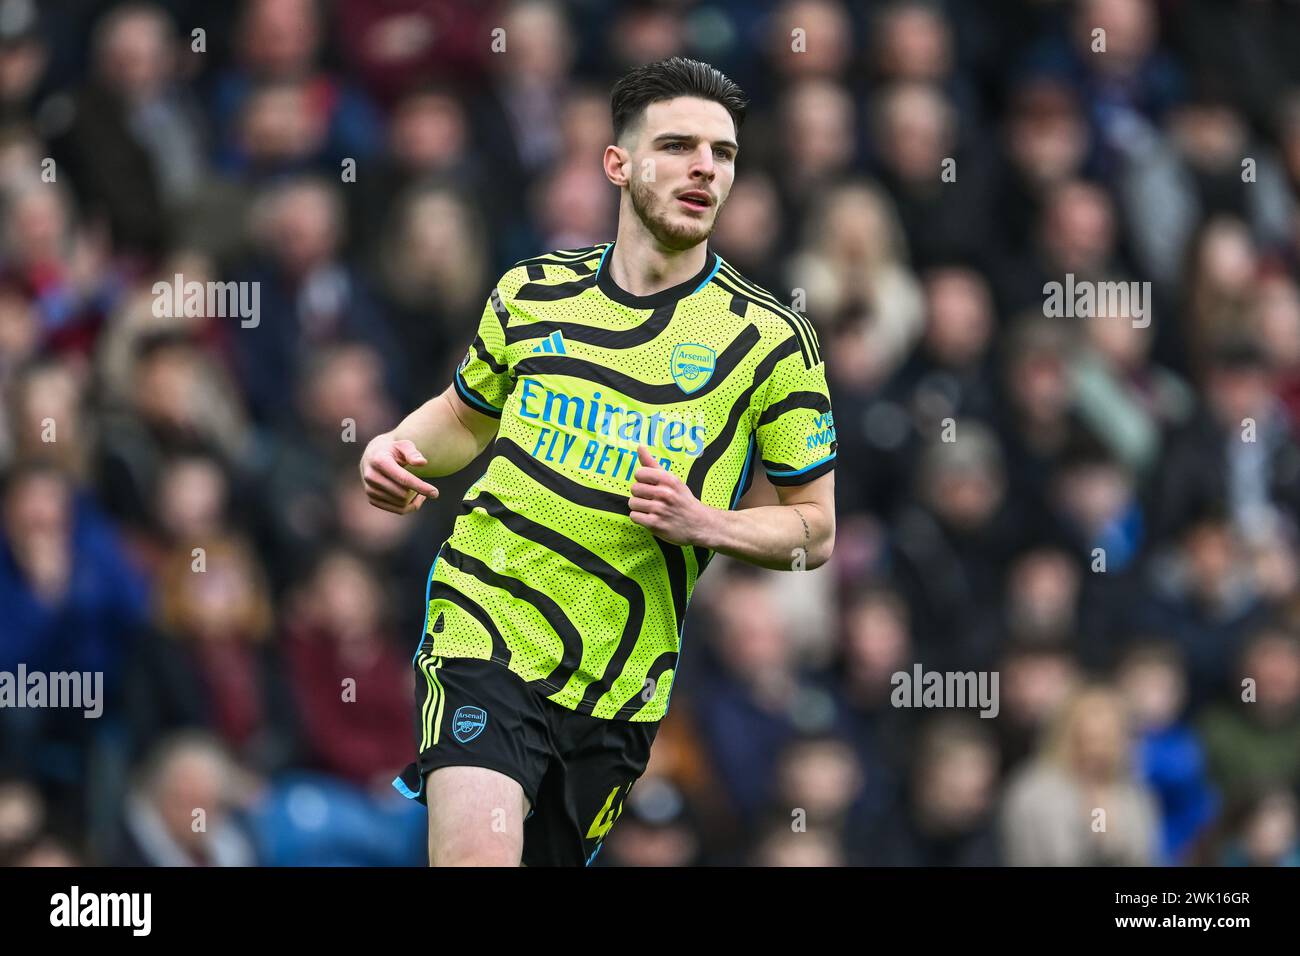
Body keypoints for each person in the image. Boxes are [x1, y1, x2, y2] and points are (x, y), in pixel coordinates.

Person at [358, 57, 837, 866]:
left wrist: (706, 524)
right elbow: (462, 419)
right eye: (678, 146)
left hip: (619, 687)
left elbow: (815, 531)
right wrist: (394, 447)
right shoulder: (533, 290)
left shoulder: (771, 343)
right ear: (618, 163)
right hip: (485, 629)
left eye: (722, 153)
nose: (704, 168)